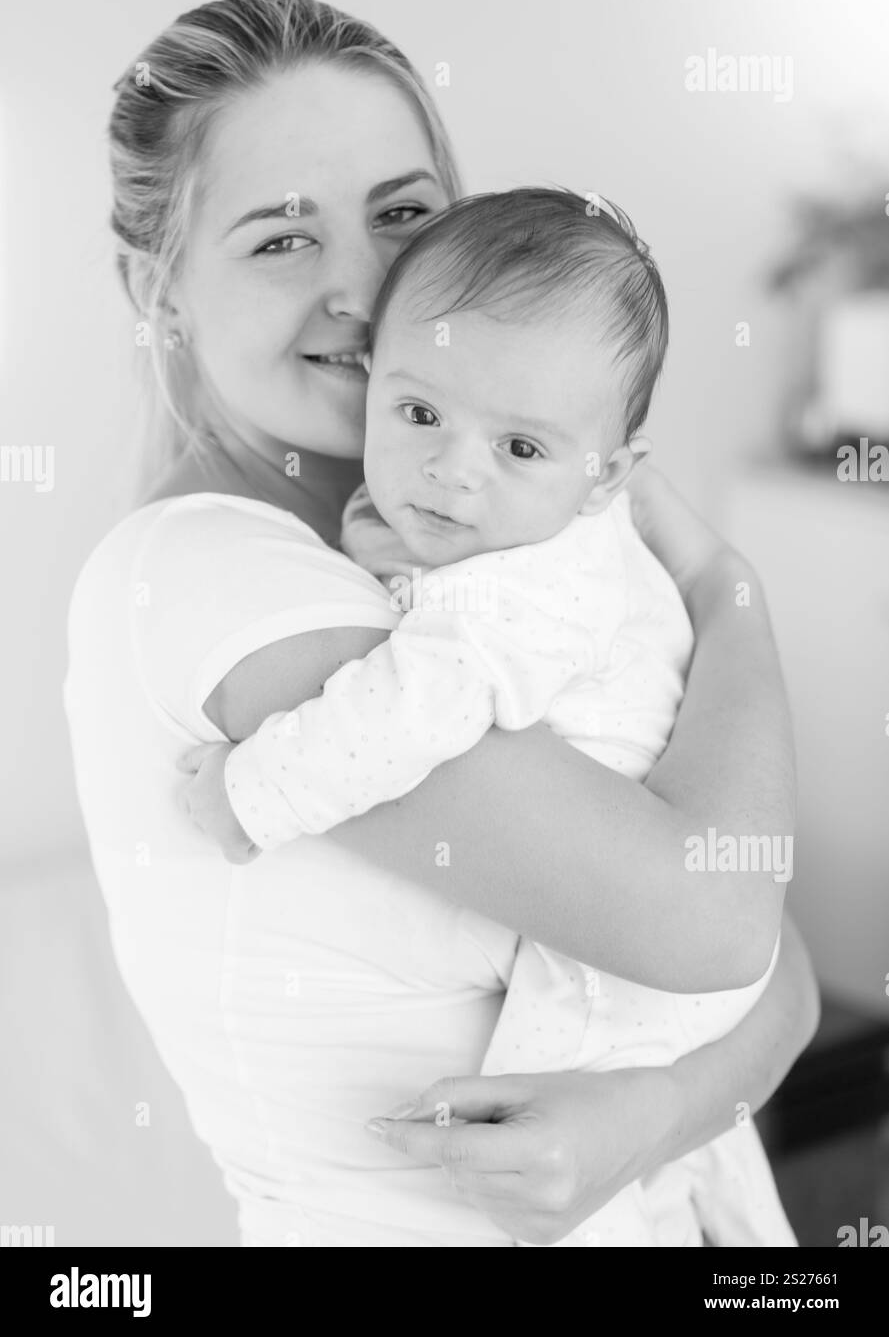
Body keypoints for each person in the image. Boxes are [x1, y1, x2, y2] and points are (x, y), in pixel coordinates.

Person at [64, 0, 818, 1247]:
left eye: (402, 215)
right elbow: (720, 916)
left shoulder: (459, 556)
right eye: (279, 237)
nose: (368, 285)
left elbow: (780, 978)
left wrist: (644, 1117)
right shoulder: (204, 577)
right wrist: (730, 595)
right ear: (160, 287)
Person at [180, 186, 796, 1247]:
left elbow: (404, 712)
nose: (453, 470)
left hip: (638, 976)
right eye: (420, 415)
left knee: (542, 1175)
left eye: (520, 449)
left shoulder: (522, 588)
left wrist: (249, 792)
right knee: (698, 1185)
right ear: (378, 380)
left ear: (609, 480)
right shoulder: (530, 538)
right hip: (698, 943)